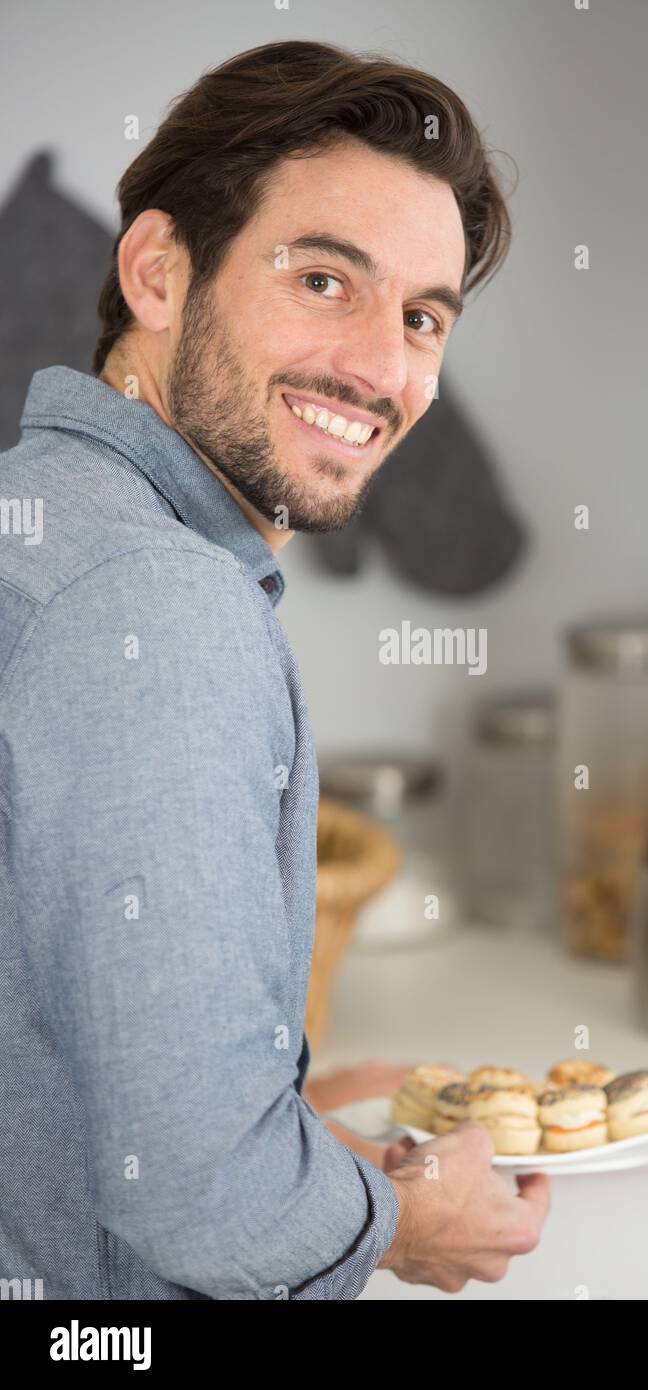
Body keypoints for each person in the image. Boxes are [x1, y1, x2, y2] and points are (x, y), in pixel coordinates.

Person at [0, 40, 548, 1300]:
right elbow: (200, 1193)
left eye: (421, 317)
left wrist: (284, 1121)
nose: (376, 367)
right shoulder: (151, 600)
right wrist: (396, 1218)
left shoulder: (38, 521)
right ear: (156, 271)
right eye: (321, 280)